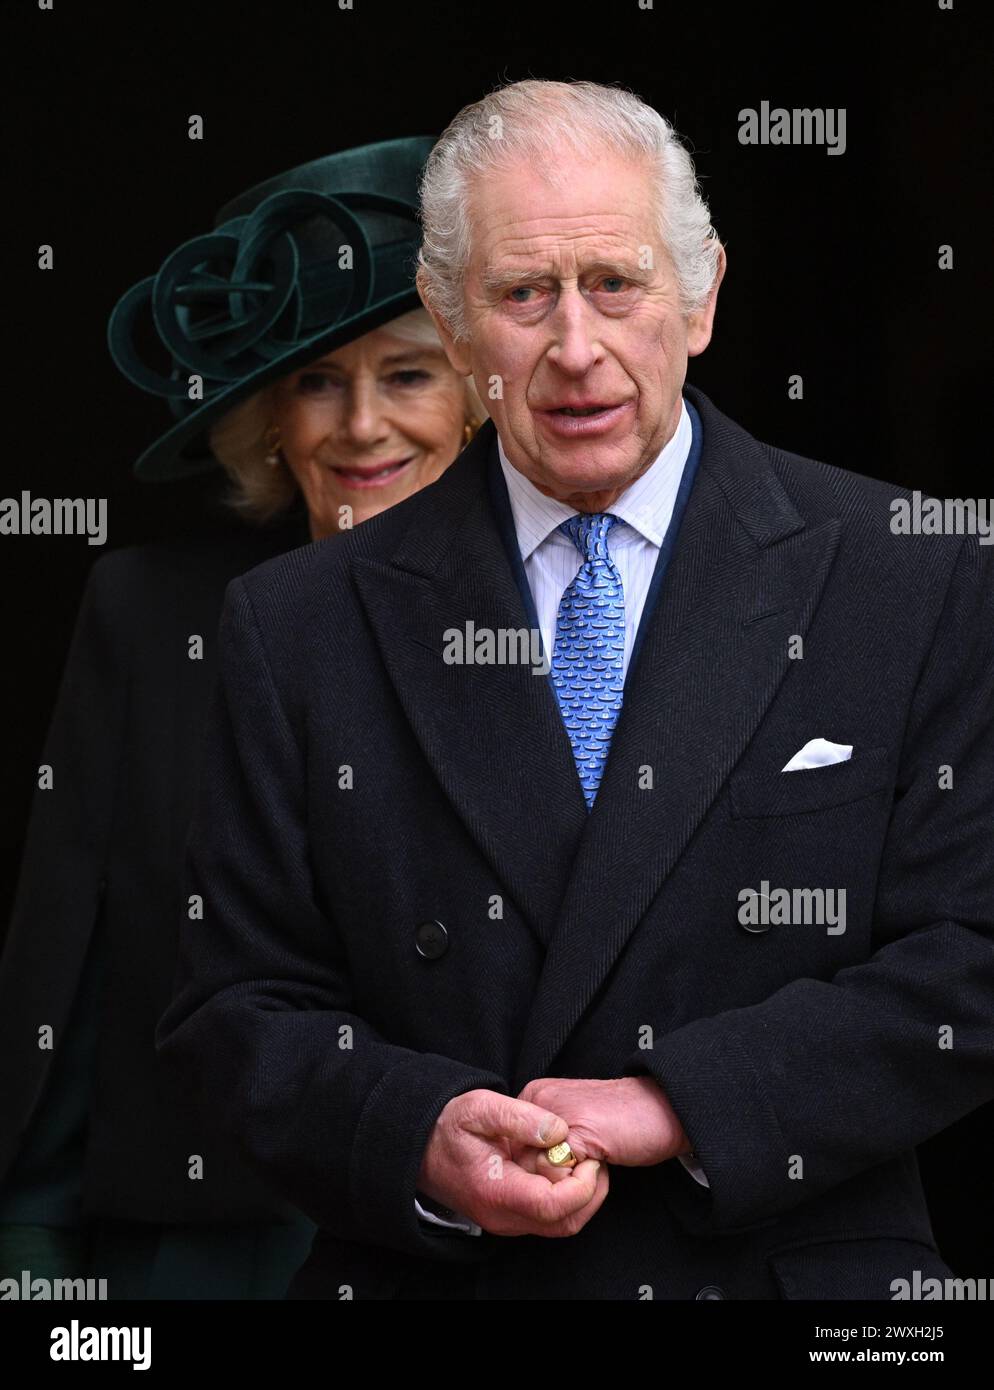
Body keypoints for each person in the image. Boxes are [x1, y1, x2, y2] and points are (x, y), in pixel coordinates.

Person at [156, 80, 994, 1300]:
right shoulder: (298, 624)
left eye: (614, 282)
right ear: (450, 321)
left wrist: (680, 1102)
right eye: (521, 294)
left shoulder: (911, 570)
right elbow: (233, 1011)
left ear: (701, 295)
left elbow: (970, 956)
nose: (575, 347)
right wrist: (418, 1133)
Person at [0, 137, 483, 1299]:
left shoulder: (570, 621)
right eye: (317, 382)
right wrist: (33, 1265)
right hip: (197, 1255)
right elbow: (72, 969)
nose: (360, 424)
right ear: (269, 418)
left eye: (407, 375)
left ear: (478, 400)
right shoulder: (149, 611)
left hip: (471, 1250)